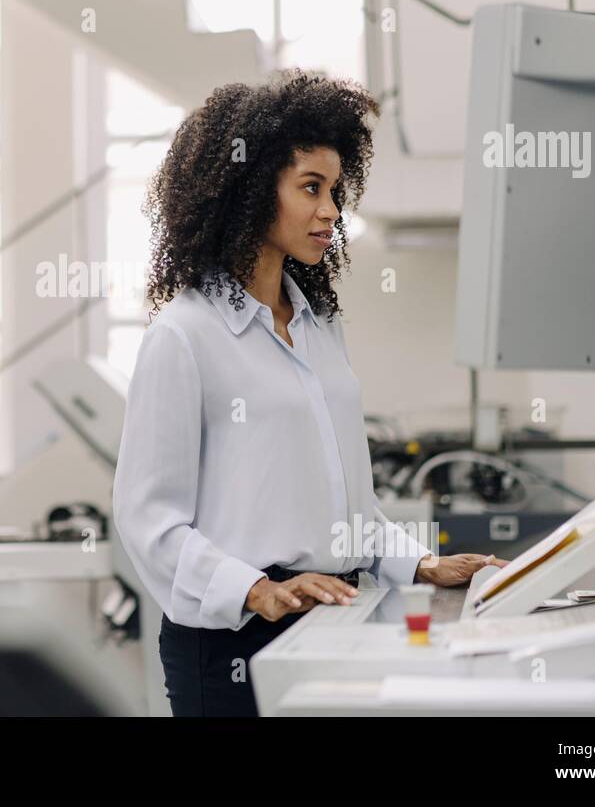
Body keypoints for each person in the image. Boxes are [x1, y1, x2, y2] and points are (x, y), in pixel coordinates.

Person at [112, 70, 507, 717]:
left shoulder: (319, 329)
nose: (330, 210)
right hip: (234, 646)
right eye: (311, 188)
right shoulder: (184, 336)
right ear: (248, 190)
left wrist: (423, 565)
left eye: (335, 189)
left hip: (332, 621)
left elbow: (349, 506)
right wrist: (255, 589)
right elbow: (147, 519)